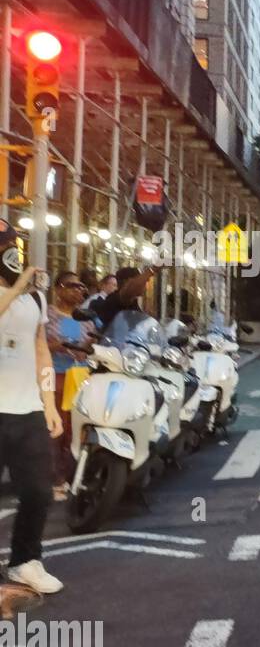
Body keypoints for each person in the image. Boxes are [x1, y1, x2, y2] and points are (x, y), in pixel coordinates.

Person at [0, 233, 65, 594]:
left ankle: (25, 561)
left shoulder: (34, 298)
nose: (10, 252)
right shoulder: (18, 292)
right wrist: (20, 283)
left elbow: (41, 349)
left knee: (39, 491)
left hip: (28, 409)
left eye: (10, 244)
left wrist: (50, 403)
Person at [45, 272, 93, 498]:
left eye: (81, 286)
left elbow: (90, 343)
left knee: (76, 428)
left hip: (79, 377)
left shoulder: (85, 317)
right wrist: (64, 346)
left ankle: (73, 473)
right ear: (58, 289)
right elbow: (44, 343)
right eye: (72, 286)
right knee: (57, 428)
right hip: (55, 375)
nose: (78, 290)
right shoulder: (48, 315)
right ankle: (57, 478)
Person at [96, 266, 159, 332]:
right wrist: (153, 269)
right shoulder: (115, 299)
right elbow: (128, 292)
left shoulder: (133, 302)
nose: (145, 283)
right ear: (127, 282)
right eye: (140, 279)